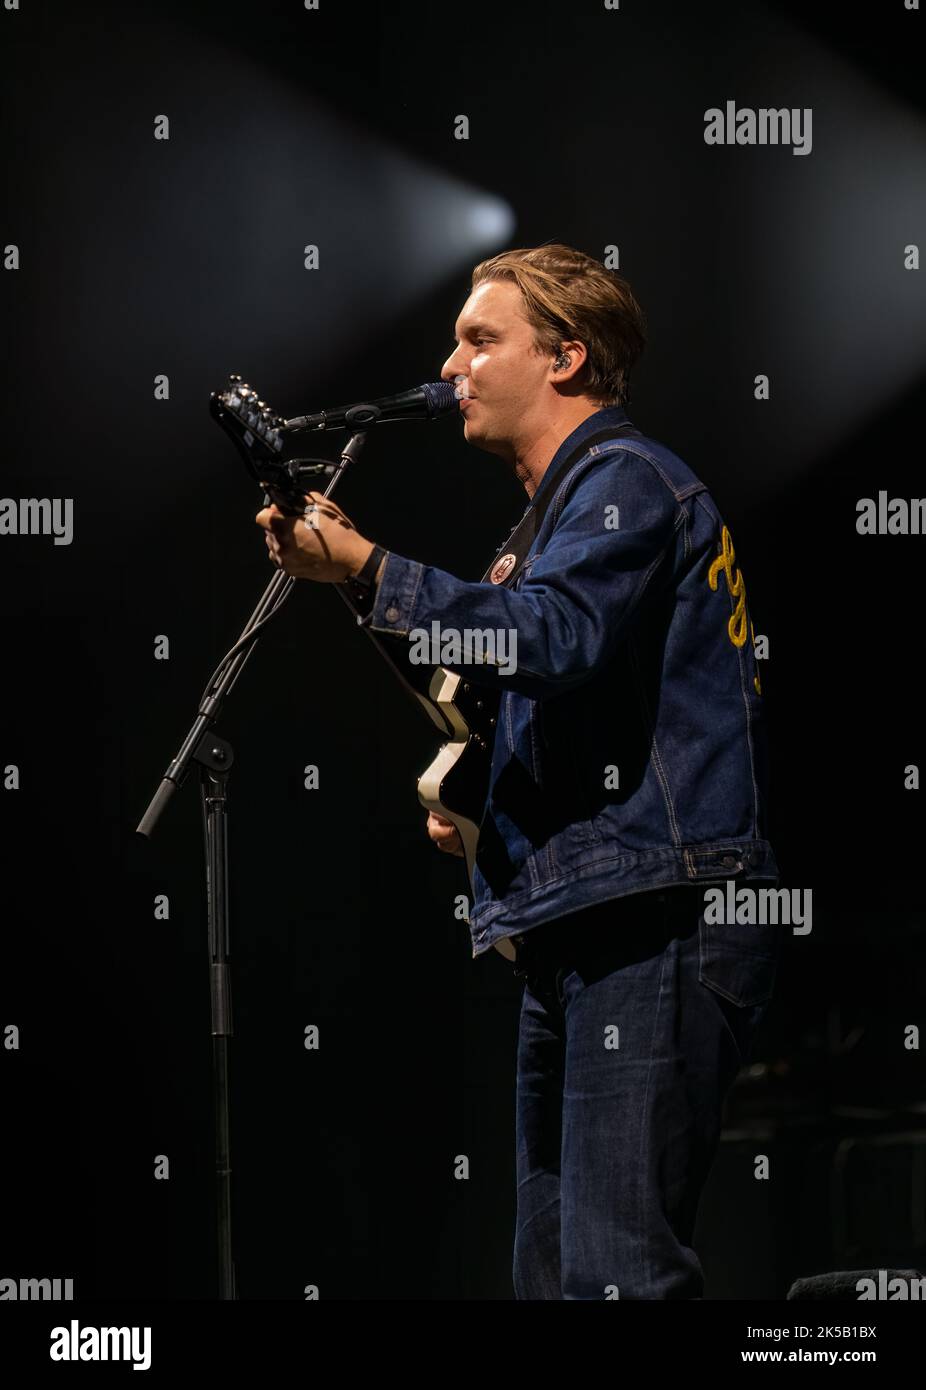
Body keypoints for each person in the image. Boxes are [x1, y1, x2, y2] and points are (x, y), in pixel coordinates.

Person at [256, 242, 782, 1300]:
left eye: (478, 338)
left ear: (564, 357)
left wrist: (370, 568)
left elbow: (553, 636)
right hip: (588, 916)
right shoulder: (550, 520)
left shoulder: (624, 479)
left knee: (615, 1272)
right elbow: (516, 670)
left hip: (653, 910)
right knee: (551, 1276)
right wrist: (477, 791)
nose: (449, 364)